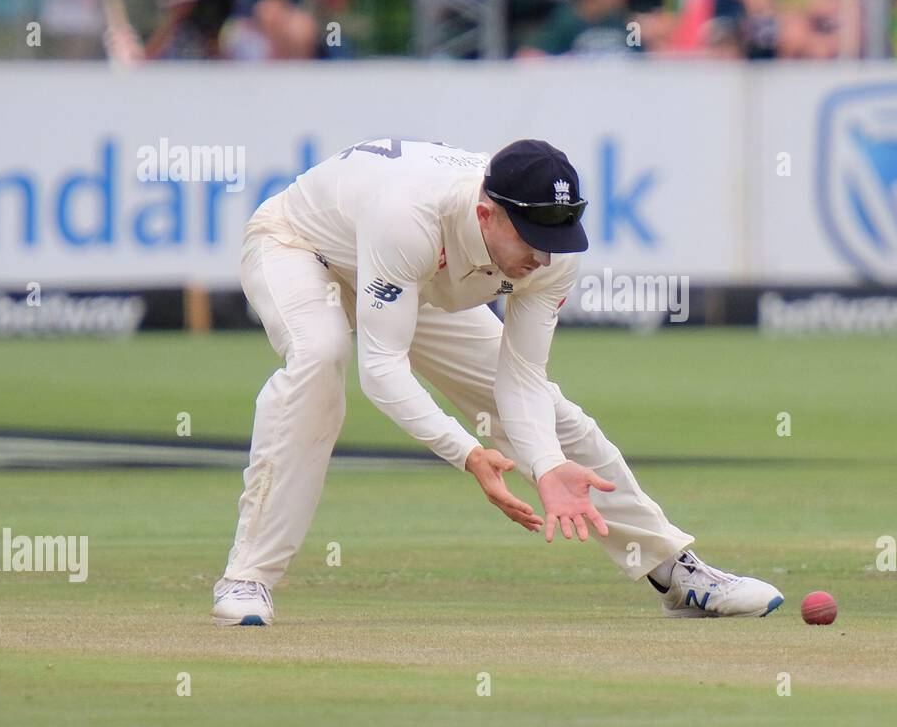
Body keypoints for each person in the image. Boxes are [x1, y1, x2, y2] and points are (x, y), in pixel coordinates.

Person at [212, 138, 785, 625]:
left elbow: (522, 378)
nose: (543, 255)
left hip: (418, 277)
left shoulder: (552, 253)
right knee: (320, 357)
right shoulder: (409, 215)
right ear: (487, 214)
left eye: (555, 237)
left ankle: (675, 572)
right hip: (301, 247)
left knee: (557, 423)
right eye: (531, 236)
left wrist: (547, 464)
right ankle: (247, 578)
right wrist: (467, 452)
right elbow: (382, 369)